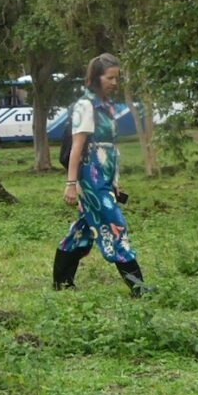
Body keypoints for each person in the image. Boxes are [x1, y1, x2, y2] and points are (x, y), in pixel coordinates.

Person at [53, 53, 150, 296]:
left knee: (81, 232)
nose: (115, 83)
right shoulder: (86, 106)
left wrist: (114, 181)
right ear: (96, 78)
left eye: (117, 78)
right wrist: (71, 183)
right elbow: (77, 148)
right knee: (115, 226)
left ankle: (61, 283)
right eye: (110, 78)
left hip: (104, 178)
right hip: (90, 179)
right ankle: (139, 289)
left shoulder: (107, 107)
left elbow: (110, 149)